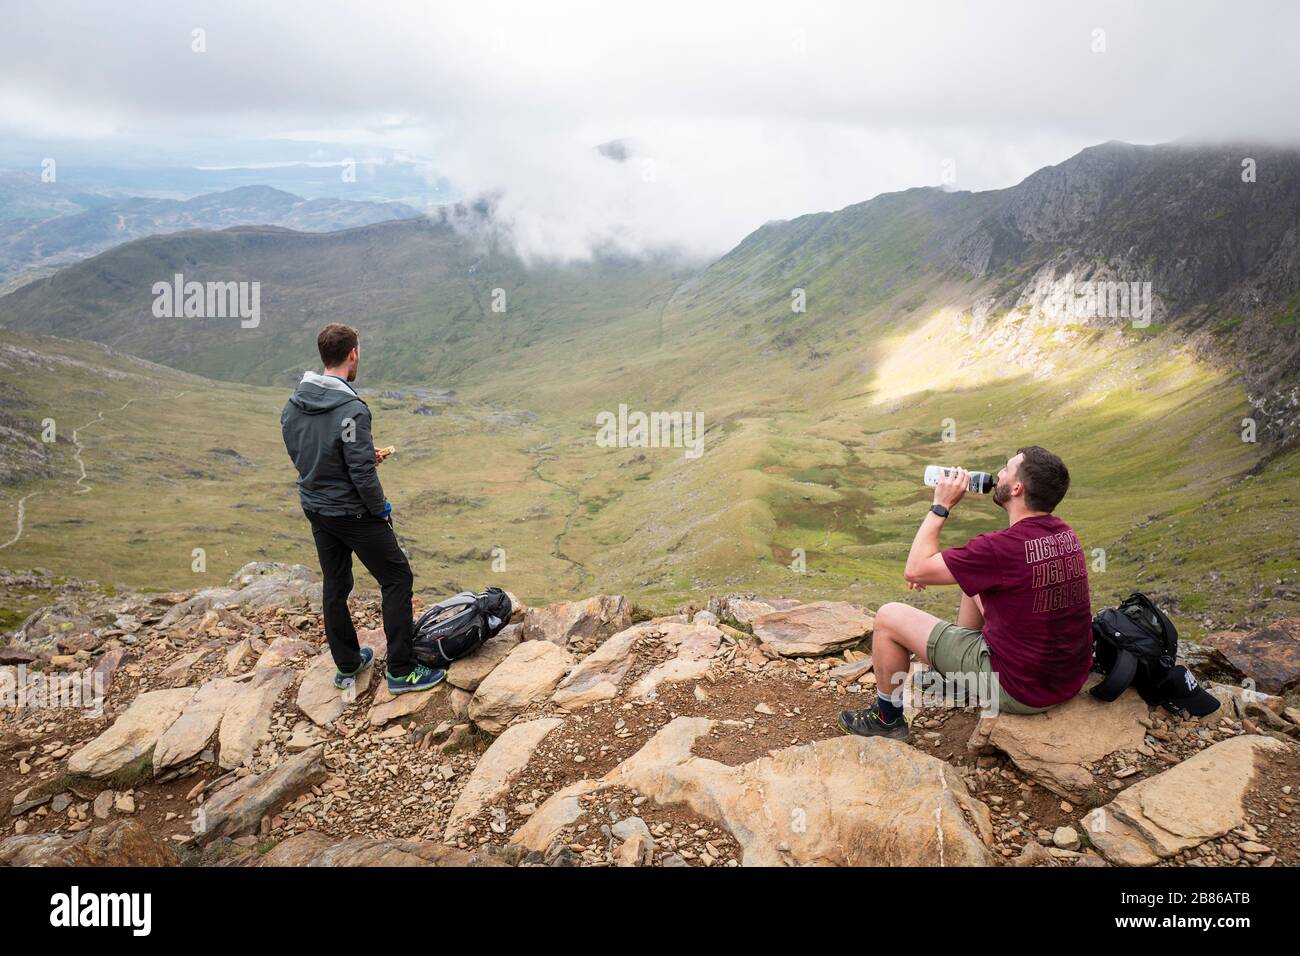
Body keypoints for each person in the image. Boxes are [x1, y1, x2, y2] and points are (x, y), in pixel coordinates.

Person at [839, 446, 1093, 740]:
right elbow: (969, 569)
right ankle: (957, 681)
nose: (998, 474)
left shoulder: (1000, 548)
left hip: (1021, 690)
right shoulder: (1065, 534)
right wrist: (941, 569)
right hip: (1067, 679)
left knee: (888, 617)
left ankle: (887, 719)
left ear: (1017, 488)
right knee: (971, 580)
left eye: (1006, 469)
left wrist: (941, 505)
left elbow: (914, 570)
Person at [280, 323, 445, 695]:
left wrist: (358, 456)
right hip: (353, 513)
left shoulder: (294, 404)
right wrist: (380, 508)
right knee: (397, 577)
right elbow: (361, 474)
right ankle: (402, 671)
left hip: (317, 508)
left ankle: (348, 664)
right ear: (353, 354)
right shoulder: (351, 409)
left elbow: (305, 451)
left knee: (336, 584)